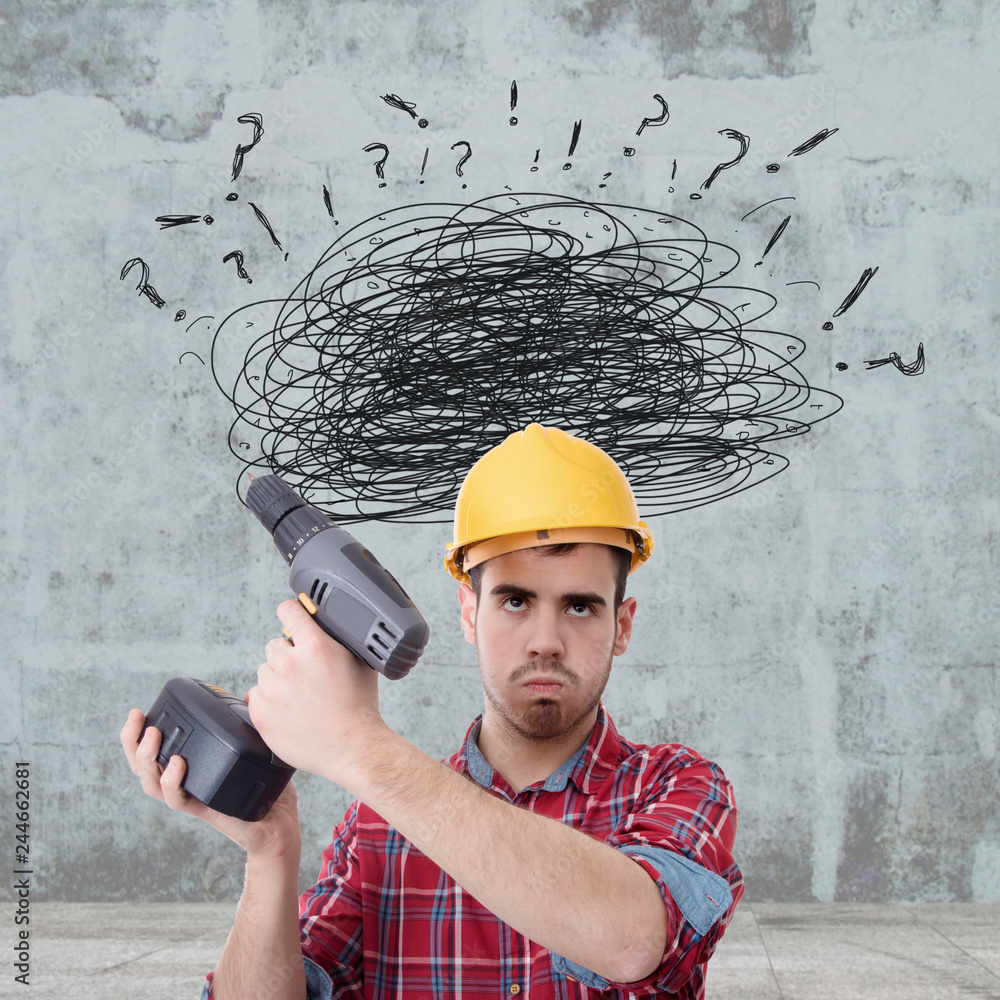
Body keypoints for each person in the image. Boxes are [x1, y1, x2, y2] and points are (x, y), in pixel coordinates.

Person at [121, 422, 743, 999]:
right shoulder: (375, 830)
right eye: (515, 601)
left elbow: (636, 940)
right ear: (469, 615)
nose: (546, 639)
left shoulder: (680, 785)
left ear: (623, 625)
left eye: (580, 606)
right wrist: (270, 854)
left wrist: (358, 743)